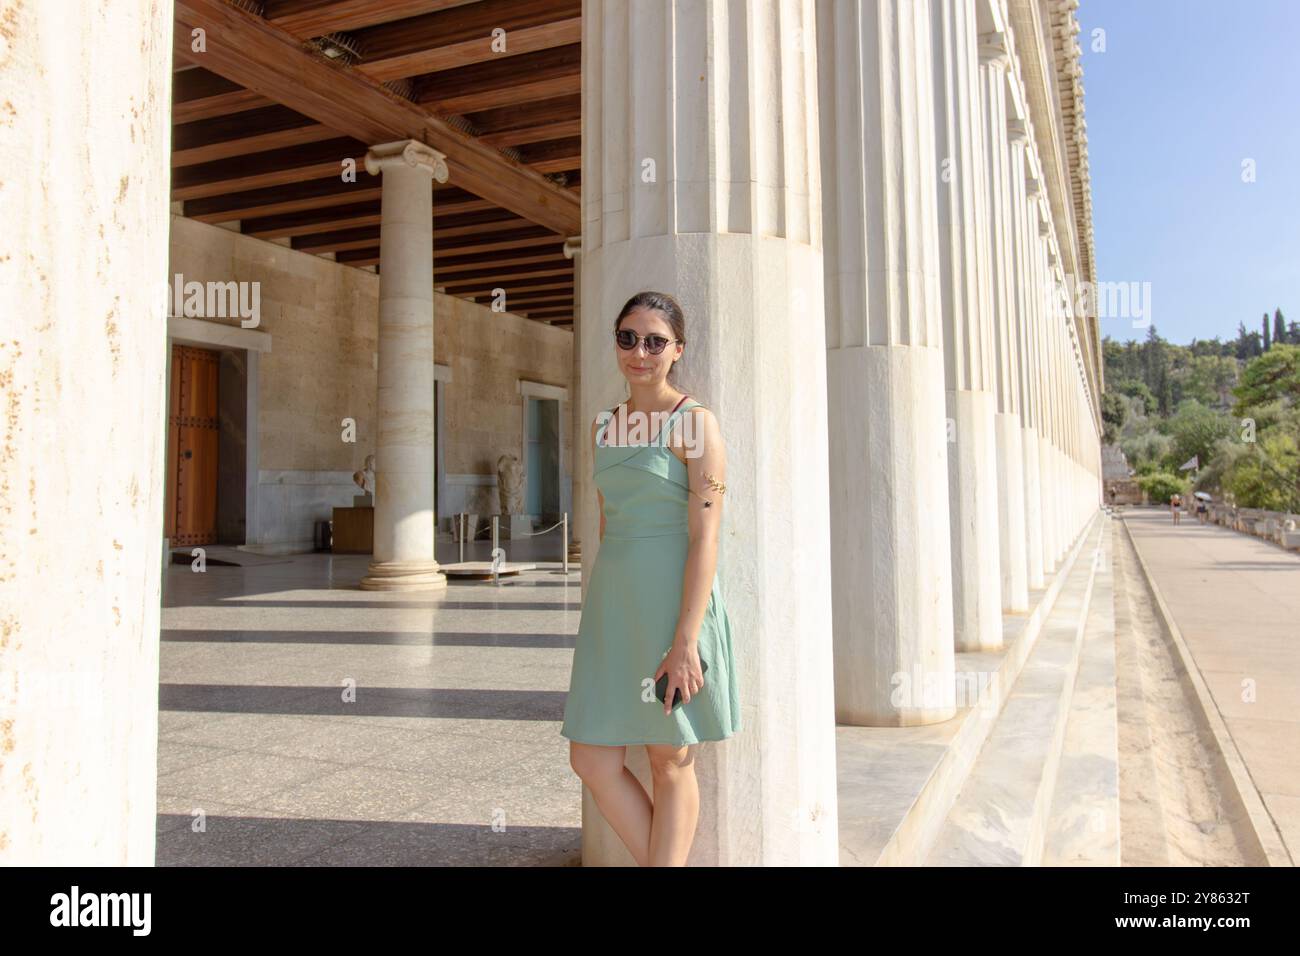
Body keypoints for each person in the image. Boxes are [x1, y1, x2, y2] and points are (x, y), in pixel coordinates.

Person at [560, 290, 741, 867]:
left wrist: (686, 641)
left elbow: (706, 536)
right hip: (614, 608)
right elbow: (610, 522)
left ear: (676, 350)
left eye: (655, 341)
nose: (640, 352)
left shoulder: (696, 424)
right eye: (628, 338)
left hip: (672, 608)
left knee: (669, 757)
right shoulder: (602, 426)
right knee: (591, 758)